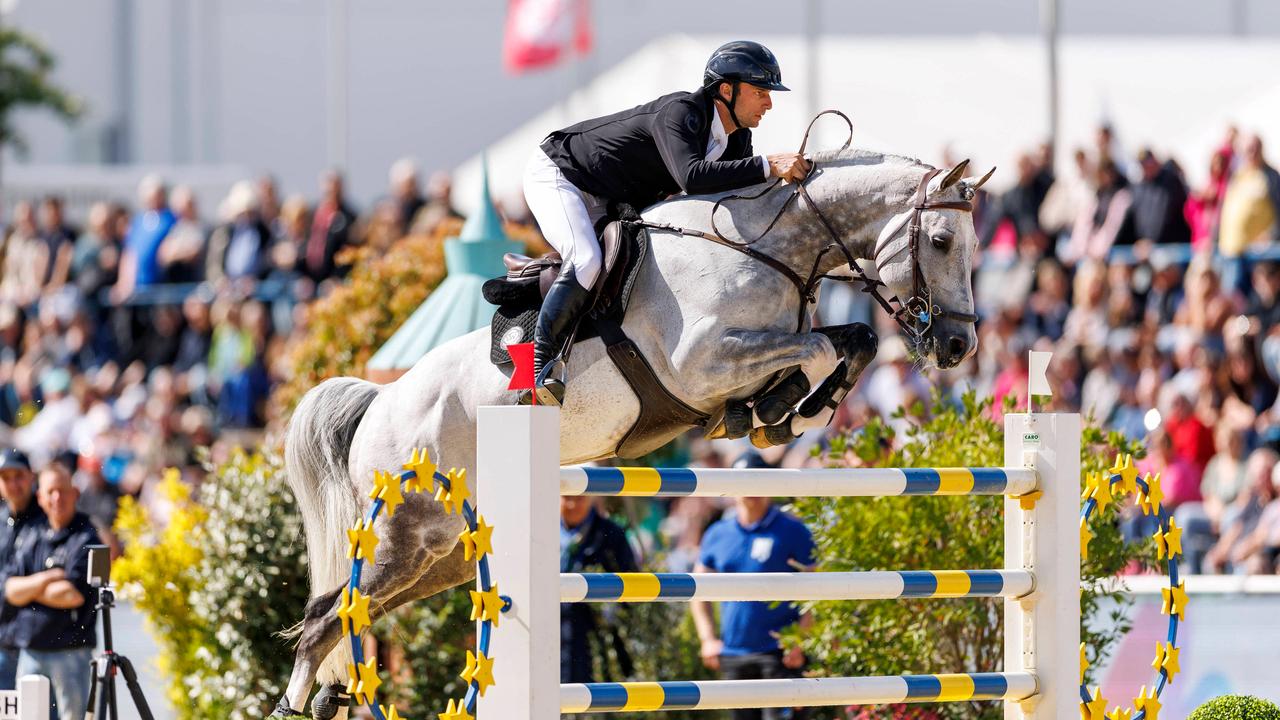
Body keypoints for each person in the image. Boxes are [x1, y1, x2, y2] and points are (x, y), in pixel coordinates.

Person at [522, 40, 808, 405]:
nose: (769, 103)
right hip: (563, 175)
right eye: (760, 92)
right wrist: (769, 166)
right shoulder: (682, 112)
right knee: (587, 260)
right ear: (726, 90)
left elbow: (735, 202)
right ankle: (539, 369)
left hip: (609, 197)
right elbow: (691, 177)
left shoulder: (737, 140)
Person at [691, 452, 814, 720]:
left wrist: (800, 641)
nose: (752, 490)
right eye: (745, 482)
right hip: (735, 654)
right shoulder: (717, 533)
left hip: (780, 654)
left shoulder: (793, 531)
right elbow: (696, 591)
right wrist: (708, 639)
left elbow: (817, 591)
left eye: (758, 481)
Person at [2, 464, 100, 720]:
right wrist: (48, 578)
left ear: (75, 493)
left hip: (71, 653)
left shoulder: (86, 536)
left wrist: (30, 588)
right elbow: (10, 590)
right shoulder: (32, 535)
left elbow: (72, 595)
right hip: (31, 650)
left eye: (63, 491)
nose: (57, 498)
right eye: (51, 491)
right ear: (40, 498)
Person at [559, 494, 637, 684]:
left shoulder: (611, 534)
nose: (572, 504)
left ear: (591, 499)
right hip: (549, 629)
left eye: (579, 499)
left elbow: (632, 583)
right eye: (567, 497)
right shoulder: (540, 530)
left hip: (596, 635)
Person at [0, 449, 44, 690]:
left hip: (40, 648)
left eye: (18, 475)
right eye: (6, 477)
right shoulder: (1, 522)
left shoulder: (49, 519)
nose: (13, 483)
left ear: (31, 477)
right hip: (4, 643)